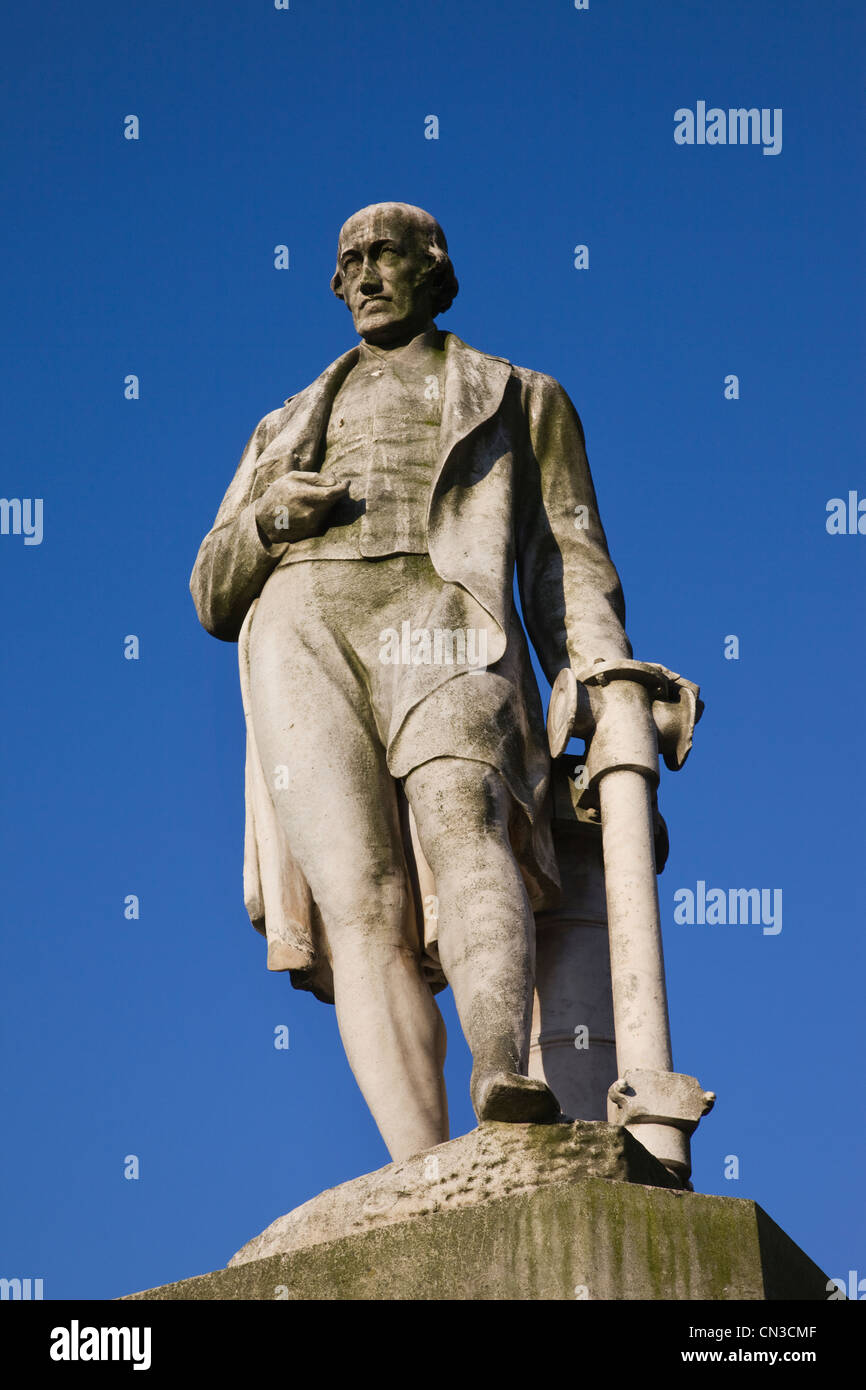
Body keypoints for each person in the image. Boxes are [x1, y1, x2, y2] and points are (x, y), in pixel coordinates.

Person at [190, 202, 632, 1162]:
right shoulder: (282, 423)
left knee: (466, 820)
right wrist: (268, 520)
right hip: (304, 624)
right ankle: (418, 1161)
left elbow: (568, 559)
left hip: (445, 615)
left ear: (435, 268)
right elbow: (210, 592)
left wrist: (600, 675)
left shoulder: (517, 394)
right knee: (360, 899)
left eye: (384, 255)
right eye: (348, 264)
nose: (364, 277)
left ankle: (499, 1071)